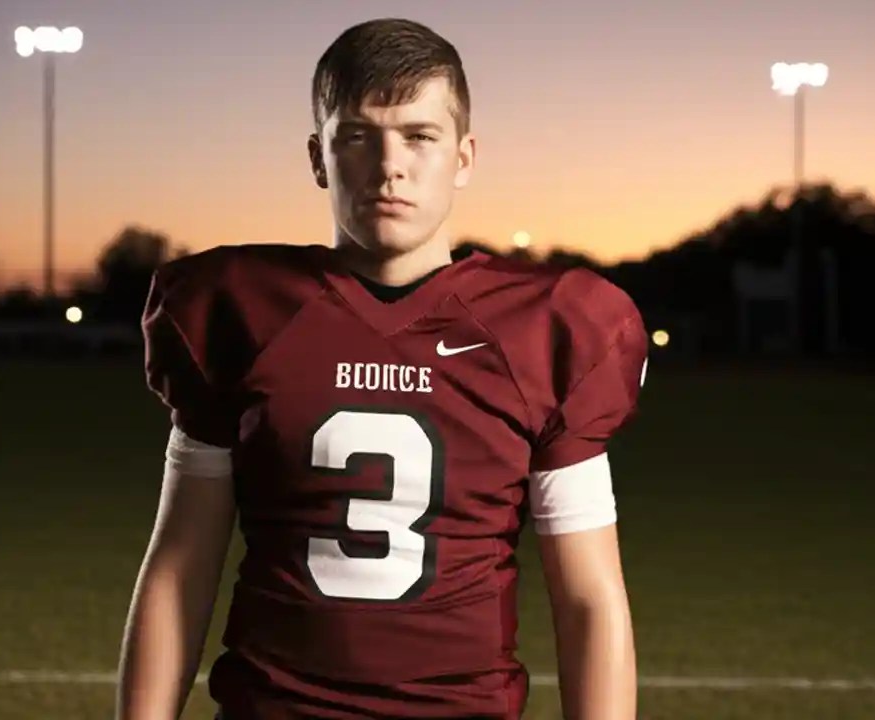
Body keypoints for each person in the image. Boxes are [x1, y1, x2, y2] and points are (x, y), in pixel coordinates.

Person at [117, 17, 647, 720]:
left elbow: (589, 598)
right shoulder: (238, 311)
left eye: (419, 136)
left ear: (464, 156)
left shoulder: (547, 330)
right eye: (358, 136)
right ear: (319, 157)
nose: (389, 165)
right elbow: (181, 566)